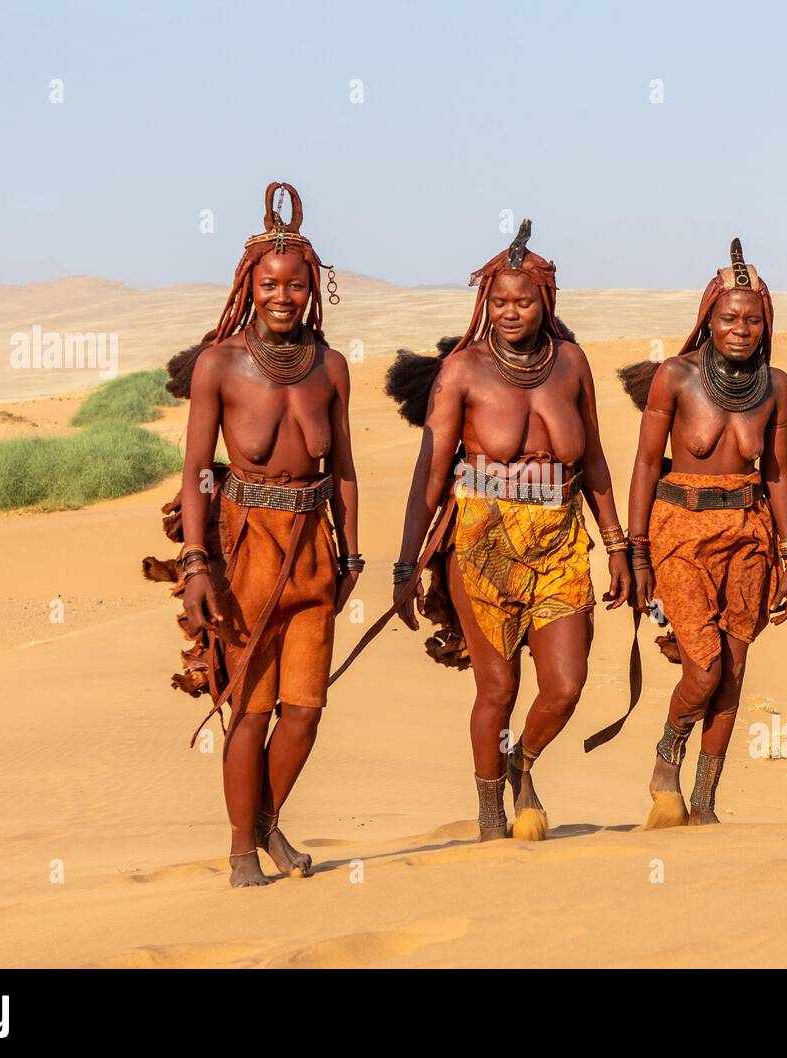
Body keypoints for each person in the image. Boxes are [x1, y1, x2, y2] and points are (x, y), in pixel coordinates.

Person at [378, 221, 630, 842]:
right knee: (499, 687)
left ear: (546, 301)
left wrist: (618, 542)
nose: (510, 312)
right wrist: (407, 566)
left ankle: (523, 762)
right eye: (499, 301)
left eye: (523, 300)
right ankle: (491, 818)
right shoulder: (462, 370)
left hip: (561, 539)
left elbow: (593, 456)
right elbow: (430, 473)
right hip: (481, 541)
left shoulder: (571, 363)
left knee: (566, 687)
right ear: (483, 302)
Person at [166, 181, 360, 887]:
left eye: (297, 284)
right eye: (270, 283)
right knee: (248, 712)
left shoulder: (330, 367)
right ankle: (242, 849)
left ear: (314, 289)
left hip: (315, 552)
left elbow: (342, 468)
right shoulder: (219, 365)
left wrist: (353, 553)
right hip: (246, 548)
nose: (284, 296)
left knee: (305, 711)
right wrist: (194, 565)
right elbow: (194, 472)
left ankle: (268, 824)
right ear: (250, 285)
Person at [619, 237, 787, 827]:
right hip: (680, 530)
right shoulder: (674, 376)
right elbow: (647, 464)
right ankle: (668, 751)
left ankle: (704, 804)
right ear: (707, 320)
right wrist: (637, 553)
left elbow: (774, 473)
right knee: (704, 668)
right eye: (729, 317)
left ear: (766, 324)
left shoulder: (775, 385)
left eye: (752, 319)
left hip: (750, 534)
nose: (741, 329)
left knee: (736, 671)